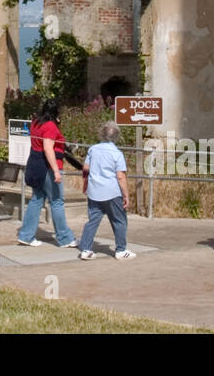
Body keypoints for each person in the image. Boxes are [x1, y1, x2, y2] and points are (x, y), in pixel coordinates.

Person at [16, 101, 77, 248]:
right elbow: (48, 148)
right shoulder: (50, 126)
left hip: (35, 165)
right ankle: (64, 238)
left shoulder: (36, 123)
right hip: (48, 167)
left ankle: (26, 235)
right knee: (56, 202)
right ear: (56, 113)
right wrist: (56, 170)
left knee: (37, 199)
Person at [78, 121, 135, 260]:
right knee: (119, 220)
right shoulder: (117, 153)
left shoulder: (93, 149)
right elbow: (120, 176)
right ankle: (121, 250)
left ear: (101, 134)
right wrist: (126, 195)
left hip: (94, 191)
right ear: (117, 136)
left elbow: (86, 167)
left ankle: (85, 249)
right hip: (111, 191)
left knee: (93, 220)